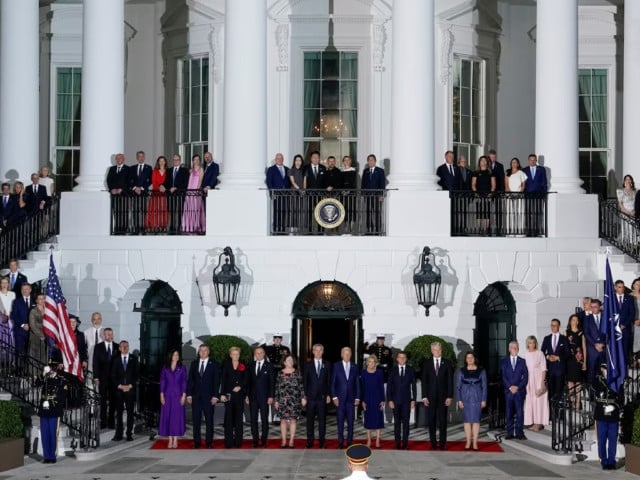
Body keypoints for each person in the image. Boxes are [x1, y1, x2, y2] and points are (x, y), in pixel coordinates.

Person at [186, 344, 221, 448]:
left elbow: (216, 381)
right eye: (201, 350)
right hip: (196, 398)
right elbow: (191, 380)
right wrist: (189, 395)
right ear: (198, 352)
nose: (203, 352)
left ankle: (209, 442)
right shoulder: (194, 364)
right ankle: (197, 442)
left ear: (208, 352)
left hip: (209, 398)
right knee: (196, 421)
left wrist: (215, 396)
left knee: (209, 421)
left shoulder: (214, 364)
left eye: (205, 350)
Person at [421, 341, 454, 450]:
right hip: (430, 397)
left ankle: (443, 443)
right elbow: (424, 381)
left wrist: (449, 396)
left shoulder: (447, 363)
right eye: (435, 350)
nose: (437, 352)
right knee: (431, 420)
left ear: (441, 350)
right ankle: (433, 443)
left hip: (443, 397)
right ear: (432, 351)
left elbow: (450, 381)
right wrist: (424, 396)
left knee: (443, 420)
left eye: (439, 350)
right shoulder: (426, 363)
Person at [36, 361, 67, 463]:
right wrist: (43, 374)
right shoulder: (45, 377)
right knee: (45, 433)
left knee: (52, 433)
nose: (51, 369)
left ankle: (52, 456)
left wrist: (52, 402)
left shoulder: (61, 379)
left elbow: (63, 396)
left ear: (56, 368)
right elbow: (36, 384)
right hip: (44, 409)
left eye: (53, 367)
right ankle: (46, 456)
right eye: (50, 367)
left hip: (54, 409)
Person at [593, 362, 623, 470]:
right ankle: (604, 461)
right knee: (602, 439)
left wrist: (617, 407)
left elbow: (621, 396)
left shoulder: (616, 380)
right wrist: (602, 377)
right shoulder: (597, 379)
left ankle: (611, 461)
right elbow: (594, 390)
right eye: (603, 367)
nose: (604, 369)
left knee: (612, 438)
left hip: (613, 412)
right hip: (601, 412)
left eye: (606, 367)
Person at [456, 351, 487, 451]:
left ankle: (475, 443)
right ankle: (468, 441)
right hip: (465, 399)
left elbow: (485, 386)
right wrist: (459, 400)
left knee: (476, 421)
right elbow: (458, 387)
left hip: (477, 398)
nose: (469, 359)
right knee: (467, 421)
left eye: (471, 357)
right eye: (467, 358)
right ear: (465, 360)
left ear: (475, 359)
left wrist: (483, 399)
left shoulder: (482, 371)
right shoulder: (461, 371)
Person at [331, 346, 361, 449]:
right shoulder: (336, 366)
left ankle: (349, 441)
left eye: (349, 354)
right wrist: (334, 397)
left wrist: (357, 397)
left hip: (351, 399)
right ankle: (340, 441)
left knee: (351, 421)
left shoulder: (355, 367)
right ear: (341, 354)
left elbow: (357, 383)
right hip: (340, 399)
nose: (347, 355)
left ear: (351, 355)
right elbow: (333, 383)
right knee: (340, 421)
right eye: (345, 353)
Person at [386, 351, 416, 450]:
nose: (402, 359)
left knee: (406, 423)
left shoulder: (410, 370)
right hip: (395, 400)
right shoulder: (392, 370)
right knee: (397, 423)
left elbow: (413, 386)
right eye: (400, 357)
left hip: (407, 401)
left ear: (406, 359)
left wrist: (413, 400)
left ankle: (405, 443)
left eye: (404, 357)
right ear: (397, 359)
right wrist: (389, 400)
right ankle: (397, 443)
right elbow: (389, 386)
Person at [303, 343, 331, 448]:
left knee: (322, 421)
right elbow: (305, 382)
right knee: (309, 421)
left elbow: (329, 381)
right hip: (310, 398)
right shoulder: (308, 365)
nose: (318, 352)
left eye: (320, 350)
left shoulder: (327, 364)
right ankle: (310, 441)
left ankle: (322, 442)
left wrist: (328, 394)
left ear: (323, 352)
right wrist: (304, 396)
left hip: (322, 397)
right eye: (316, 350)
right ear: (313, 351)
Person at [274, 354, 306, 448]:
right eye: (288, 360)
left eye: (291, 360)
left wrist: (303, 397)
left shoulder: (297, 372)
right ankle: (284, 441)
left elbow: (301, 386)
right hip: (282, 400)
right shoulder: (280, 373)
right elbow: (277, 387)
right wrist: (276, 400)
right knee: (283, 421)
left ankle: (291, 440)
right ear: (284, 362)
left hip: (294, 400)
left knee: (293, 420)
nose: (290, 362)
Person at [220, 346, 248, 448]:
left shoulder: (243, 364)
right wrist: (222, 394)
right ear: (230, 355)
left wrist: (240, 386)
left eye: (237, 354)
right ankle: (228, 442)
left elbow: (246, 379)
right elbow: (223, 380)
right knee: (228, 418)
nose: (236, 356)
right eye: (234, 354)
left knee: (238, 418)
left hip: (239, 395)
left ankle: (238, 442)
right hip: (228, 395)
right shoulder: (226, 365)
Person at [158, 349, 187, 448]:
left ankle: (176, 440)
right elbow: (162, 381)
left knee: (176, 417)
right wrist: (161, 395)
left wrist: (184, 395)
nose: (176, 356)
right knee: (168, 416)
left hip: (178, 395)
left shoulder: (182, 368)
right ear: (170, 356)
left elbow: (184, 382)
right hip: (167, 395)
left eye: (177, 355)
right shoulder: (165, 368)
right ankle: (170, 439)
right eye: (174, 355)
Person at [246, 346, 275, 448]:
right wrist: (247, 395)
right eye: (257, 353)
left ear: (264, 354)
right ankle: (255, 440)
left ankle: (263, 440)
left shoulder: (269, 366)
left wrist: (271, 396)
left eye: (261, 353)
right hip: (252, 397)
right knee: (253, 419)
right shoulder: (250, 365)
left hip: (265, 397)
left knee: (264, 419)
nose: (259, 355)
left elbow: (272, 382)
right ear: (255, 354)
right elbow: (248, 382)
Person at [110, 340, 139, 441]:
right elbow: (113, 375)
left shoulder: (134, 359)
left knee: (130, 413)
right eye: (123, 346)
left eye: (127, 346)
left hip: (130, 390)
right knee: (119, 413)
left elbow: (136, 375)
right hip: (119, 391)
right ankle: (119, 434)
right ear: (119, 348)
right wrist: (119, 385)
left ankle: (129, 434)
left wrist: (130, 385)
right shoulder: (116, 360)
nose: (125, 348)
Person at [501, 341, 528, 439]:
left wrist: (518, 387)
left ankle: (519, 432)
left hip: (519, 391)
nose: (514, 349)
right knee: (509, 412)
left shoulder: (522, 361)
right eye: (512, 347)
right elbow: (503, 376)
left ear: (518, 348)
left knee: (520, 412)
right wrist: (510, 387)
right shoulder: (504, 361)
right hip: (508, 391)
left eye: (516, 347)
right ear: (509, 349)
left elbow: (525, 377)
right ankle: (510, 432)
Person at [92, 328, 118, 429]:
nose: (109, 336)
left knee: (113, 400)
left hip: (114, 379)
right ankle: (103, 422)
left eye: (111, 334)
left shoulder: (117, 346)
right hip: (102, 378)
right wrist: (96, 377)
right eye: (107, 334)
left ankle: (111, 422)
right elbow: (95, 363)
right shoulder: (98, 347)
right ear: (103, 336)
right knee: (102, 401)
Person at [540, 318, 569, 403]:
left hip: (560, 370)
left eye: (555, 325)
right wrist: (548, 356)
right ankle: (551, 415)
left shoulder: (564, 339)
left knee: (559, 393)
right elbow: (541, 353)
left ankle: (559, 415)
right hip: (550, 369)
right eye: (552, 325)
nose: (553, 327)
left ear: (559, 326)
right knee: (550, 393)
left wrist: (558, 357)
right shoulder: (547, 338)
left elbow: (568, 354)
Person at [523, 335, 548, 431]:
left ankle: (539, 423)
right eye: (530, 343)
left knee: (539, 401)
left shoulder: (540, 353)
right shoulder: (526, 354)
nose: (531, 345)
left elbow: (544, 369)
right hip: (529, 380)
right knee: (531, 401)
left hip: (538, 379)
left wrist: (542, 383)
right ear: (527, 344)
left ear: (536, 344)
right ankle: (533, 422)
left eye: (533, 343)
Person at [360, 355, 384, 448]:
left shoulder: (379, 372)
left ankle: (378, 440)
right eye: (369, 361)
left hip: (377, 398)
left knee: (378, 419)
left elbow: (381, 387)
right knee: (368, 419)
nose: (371, 363)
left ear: (376, 363)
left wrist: (382, 399)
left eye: (373, 361)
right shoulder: (363, 373)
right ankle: (369, 440)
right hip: (367, 398)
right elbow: (362, 388)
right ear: (367, 363)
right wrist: (362, 400)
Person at [265, 153, 291, 234]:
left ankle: (283, 229)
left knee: (285, 211)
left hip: (286, 194)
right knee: (277, 211)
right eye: (278, 158)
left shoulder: (287, 169)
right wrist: (271, 193)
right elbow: (269, 182)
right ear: (275, 160)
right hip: (276, 194)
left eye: (281, 158)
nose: (279, 160)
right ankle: (277, 229)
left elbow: (289, 181)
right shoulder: (271, 169)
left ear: (283, 159)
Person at [522, 154, 548, 236]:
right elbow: (523, 182)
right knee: (528, 212)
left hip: (538, 195)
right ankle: (528, 230)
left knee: (538, 212)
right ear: (528, 160)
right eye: (531, 160)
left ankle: (537, 230)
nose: (532, 161)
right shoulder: (524, 170)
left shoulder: (541, 169)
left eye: (534, 160)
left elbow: (544, 182)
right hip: (528, 194)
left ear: (536, 160)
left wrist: (543, 194)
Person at [361, 154, 386, 235]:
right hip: (367, 196)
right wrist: (363, 194)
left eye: (372, 160)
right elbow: (363, 184)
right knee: (368, 213)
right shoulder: (365, 171)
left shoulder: (380, 171)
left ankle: (378, 230)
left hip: (377, 196)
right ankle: (369, 230)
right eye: (369, 160)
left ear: (375, 161)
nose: (370, 161)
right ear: (368, 162)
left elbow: (382, 184)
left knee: (377, 212)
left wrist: (381, 195)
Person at [128, 150, 152, 234]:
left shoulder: (149, 168)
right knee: (135, 210)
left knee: (144, 210)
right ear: (137, 157)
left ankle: (144, 228)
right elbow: (129, 179)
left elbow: (150, 181)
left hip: (143, 193)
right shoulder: (132, 168)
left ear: (144, 157)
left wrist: (141, 188)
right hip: (135, 193)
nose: (140, 158)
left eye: (142, 156)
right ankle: (136, 228)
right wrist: (135, 188)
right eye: (139, 156)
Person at [164, 154, 189, 233]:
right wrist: (163, 186)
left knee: (179, 211)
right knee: (171, 210)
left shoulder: (184, 170)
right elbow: (166, 182)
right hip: (170, 194)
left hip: (180, 194)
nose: (175, 161)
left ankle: (178, 227)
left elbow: (185, 182)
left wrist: (176, 188)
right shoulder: (169, 170)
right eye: (174, 160)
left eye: (177, 160)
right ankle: (171, 227)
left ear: (180, 160)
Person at [565, 314, 586, 409]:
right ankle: (572, 402)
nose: (575, 321)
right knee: (570, 382)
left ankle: (578, 402)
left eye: (576, 320)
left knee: (578, 381)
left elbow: (584, 347)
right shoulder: (566, 332)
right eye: (573, 319)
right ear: (570, 321)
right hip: (569, 360)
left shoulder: (581, 333)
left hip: (578, 360)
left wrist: (585, 362)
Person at [106, 153, 130, 234]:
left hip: (124, 194)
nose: (119, 160)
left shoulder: (128, 169)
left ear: (123, 159)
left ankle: (124, 229)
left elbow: (129, 181)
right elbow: (108, 180)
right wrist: (112, 189)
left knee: (124, 211)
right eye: (117, 158)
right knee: (116, 211)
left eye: (120, 158)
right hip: (114, 195)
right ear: (116, 160)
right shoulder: (112, 169)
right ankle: (117, 228)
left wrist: (122, 189)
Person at [471, 155, 496, 234]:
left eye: (485, 161)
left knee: (487, 214)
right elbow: (473, 184)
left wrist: (489, 195)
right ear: (479, 162)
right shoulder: (476, 172)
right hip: (479, 196)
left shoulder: (491, 172)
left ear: (487, 162)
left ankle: (485, 231)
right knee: (479, 213)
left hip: (488, 197)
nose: (483, 162)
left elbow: (493, 185)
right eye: (482, 160)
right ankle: (479, 231)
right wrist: (477, 194)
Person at [144, 155, 169, 232]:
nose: (161, 162)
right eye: (160, 161)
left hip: (164, 194)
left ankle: (162, 226)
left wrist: (164, 187)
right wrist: (159, 187)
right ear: (158, 162)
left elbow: (169, 182)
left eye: (163, 161)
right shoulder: (154, 171)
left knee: (163, 210)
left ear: (165, 162)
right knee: (155, 210)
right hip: (156, 193)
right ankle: (154, 226)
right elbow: (154, 182)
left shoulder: (168, 171)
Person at [181, 154, 205, 233]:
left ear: (200, 161)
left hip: (195, 192)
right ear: (193, 160)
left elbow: (200, 181)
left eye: (198, 159)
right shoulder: (190, 170)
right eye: (195, 159)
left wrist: (197, 191)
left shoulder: (201, 169)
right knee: (189, 209)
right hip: (189, 190)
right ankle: (188, 226)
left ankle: (195, 226)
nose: (196, 161)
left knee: (195, 209)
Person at [614, 279, 636, 361]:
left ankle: (624, 371)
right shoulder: (611, 299)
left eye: (623, 287)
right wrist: (615, 325)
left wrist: (624, 325)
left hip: (625, 329)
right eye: (619, 287)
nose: (621, 289)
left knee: (624, 351)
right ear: (615, 287)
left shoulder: (629, 298)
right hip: (614, 329)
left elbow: (632, 313)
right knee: (615, 351)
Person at [12, 282, 33, 370]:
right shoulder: (17, 301)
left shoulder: (35, 301)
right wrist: (23, 324)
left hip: (32, 331)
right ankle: (19, 370)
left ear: (30, 290)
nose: (25, 291)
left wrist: (31, 325)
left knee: (30, 352)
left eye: (27, 289)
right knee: (19, 351)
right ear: (21, 291)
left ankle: (29, 370)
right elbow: (14, 315)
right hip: (20, 331)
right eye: (23, 289)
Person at [584, 298, 605, 382]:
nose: (593, 309)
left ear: (599, 307)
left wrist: (603, 343)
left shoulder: (605, 317)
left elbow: (609, 332)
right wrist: (595, 344)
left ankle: (605, 392)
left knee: (604, 371)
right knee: (592, 372)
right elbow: (586, 333)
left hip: (604, 349)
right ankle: (592, 394)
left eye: (595, 307)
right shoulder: (587, 318)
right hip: (592, 349)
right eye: (591, 307)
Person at [305, 151, 327, 233]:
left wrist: (325, 193)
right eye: (314, 157)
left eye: (317, 157)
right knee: (310, 211)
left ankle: (320, 230)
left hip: (320, 194)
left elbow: (325, 181)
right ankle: (310, 230)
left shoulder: (323, 168)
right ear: (311, 158)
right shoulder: (306, 168)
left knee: (320, 212)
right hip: (309, 194)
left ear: (319, 159)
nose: (315, 159)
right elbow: (304, 181)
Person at [505, 157, 527, 236]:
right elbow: (506, 184)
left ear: (518, 164)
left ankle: (520, 231)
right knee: (510, 213)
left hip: (519, 196)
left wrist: (519, 193)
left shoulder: (521, 173)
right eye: (512, 162)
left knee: (520, 213)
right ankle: (510, 231)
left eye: (515, 162)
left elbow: (523, 185)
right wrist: (510, 194)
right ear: (511, 164)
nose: (514, 164)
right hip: (510, 196)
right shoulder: (508, 172)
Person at [288, 154, 307, 233]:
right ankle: (293, 227)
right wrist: (299, 189)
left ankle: (301, 227)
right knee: (294, 210)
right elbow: (292, 182)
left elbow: (305, 182)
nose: (298, 162)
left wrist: (304, 190)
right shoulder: (291, 170)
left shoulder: (304, 171)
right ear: (294, 161)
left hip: (302, 192)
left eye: (299, 160)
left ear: (301, 162)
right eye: (296, 160)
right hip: (294, 192)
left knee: (301, 210)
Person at [341, 156, 358, 234]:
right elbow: (340, 183)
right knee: (344, 210)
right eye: (345, 160)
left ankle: (352, 228)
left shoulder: (353, 170)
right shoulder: (341, 171)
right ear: (343, 162)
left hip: (351, 193)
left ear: (350, 161)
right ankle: (345, 228)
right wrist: (342, 191)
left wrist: (348, 191)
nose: (346, 161)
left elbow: (353, 183)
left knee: (351, 209)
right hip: (343, 194)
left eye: (348, 160)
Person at [0, 277, 15, 363]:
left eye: (6, 283)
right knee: (2, 340)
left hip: (11, 320)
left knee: (11, 341)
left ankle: (10, 361)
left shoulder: (12, 294)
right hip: (1, 320)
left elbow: (13, 307)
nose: (4, 285)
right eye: (2, 283)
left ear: (8, 284)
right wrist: (2, 315)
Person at [631, 278, 640, 362]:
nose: (638, 286)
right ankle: (634, 360)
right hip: (632, 322)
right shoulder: (629, 296)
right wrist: (634, 319)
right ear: (633, 285)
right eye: (637, 284)